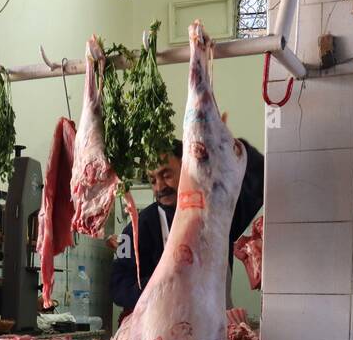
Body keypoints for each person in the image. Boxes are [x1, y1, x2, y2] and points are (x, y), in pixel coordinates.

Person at [109, 136, 264, 318]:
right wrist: (162, 285)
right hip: (161, 337)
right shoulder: (139, 227)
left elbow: (259, 180)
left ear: (187, 168)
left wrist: (231, 144)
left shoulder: (218, 212)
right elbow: (118, 285)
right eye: (152, 180)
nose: (159, 187)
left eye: (166, 175)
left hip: (214, 334)